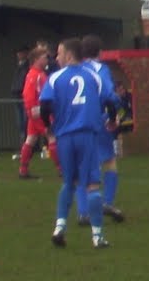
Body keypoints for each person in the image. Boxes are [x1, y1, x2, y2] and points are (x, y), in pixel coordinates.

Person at [40, 36, 120, 249]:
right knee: (93, 184)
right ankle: (97, 236)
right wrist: (112, 119)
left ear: (68, 55)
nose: (56, 57)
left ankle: (59, 227)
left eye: (58, 53)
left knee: (69, 183)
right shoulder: (94, 76)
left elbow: (44, 105)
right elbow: (111, 100)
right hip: (88, 135)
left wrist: (48, 125)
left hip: (65, 137)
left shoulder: (55, 78)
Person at [81, 36, 127, 223]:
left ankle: (83, 211)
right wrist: (114, 113)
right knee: (109, 162)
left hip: (75, 123)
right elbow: (110, 95)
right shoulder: (101, 69)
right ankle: (107, 202)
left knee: (82, 166)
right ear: (100, 53)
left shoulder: (74, 69)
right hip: (97, 120)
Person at [16, 44, 56, 179]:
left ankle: (23, 170)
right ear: (37, 59)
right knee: (51, 136)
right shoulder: (36, 75)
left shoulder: (36, 74)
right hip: (38, 112)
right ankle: (62, 168)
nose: (47, 60)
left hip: (35, 111)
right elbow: (28, 94)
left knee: (31, 139)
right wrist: (33, 110)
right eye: (45, 58)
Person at [10, 43, 32, 148]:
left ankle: (28, 145)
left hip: (23, 96)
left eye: (20, 52)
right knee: (20, 123)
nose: (18, 55)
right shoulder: (18, 66)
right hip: (16, 95)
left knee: (25, 121)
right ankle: (23, 144)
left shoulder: (27, 66)